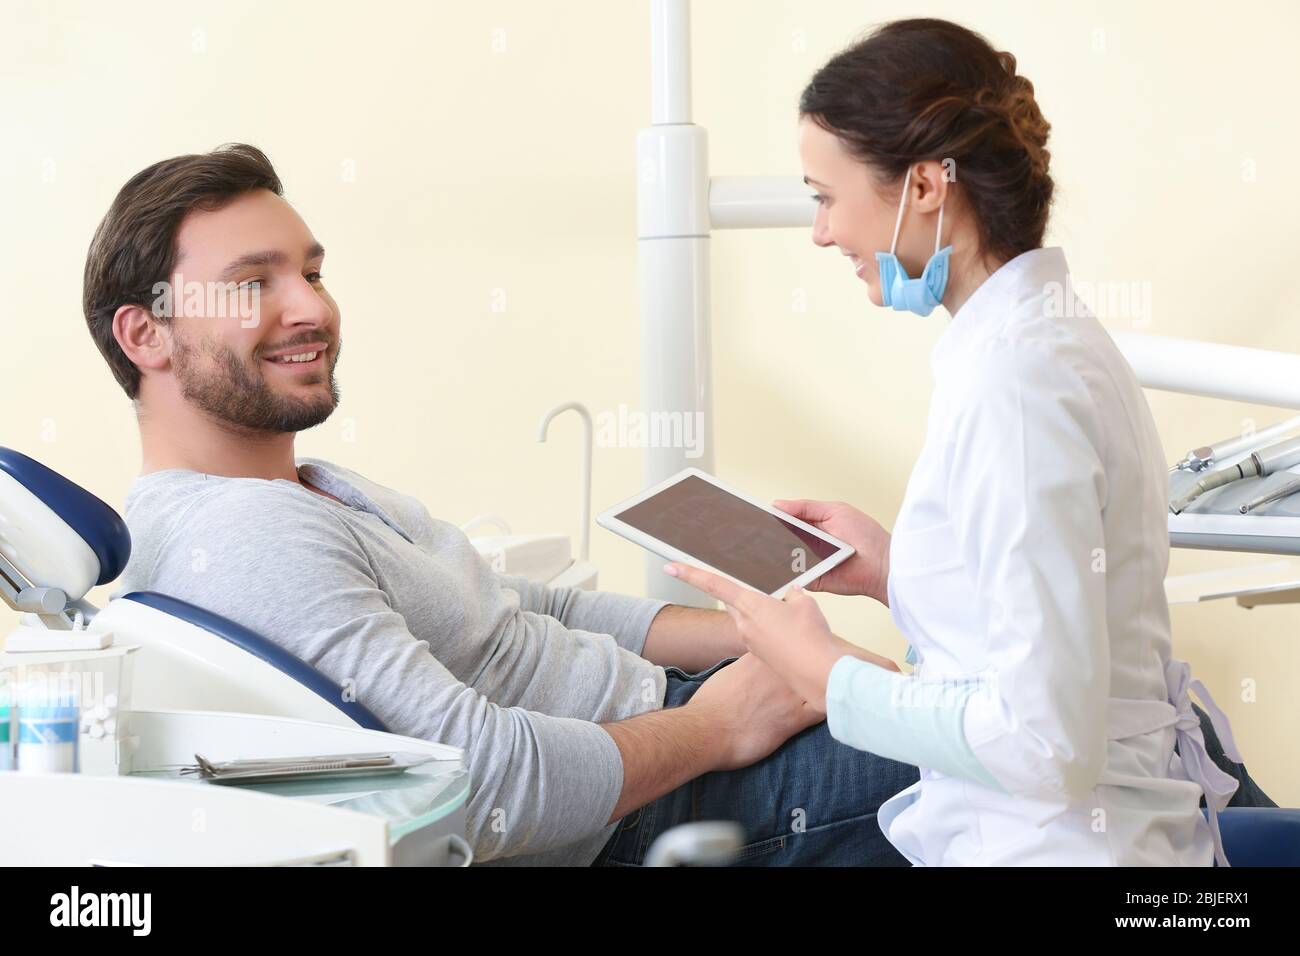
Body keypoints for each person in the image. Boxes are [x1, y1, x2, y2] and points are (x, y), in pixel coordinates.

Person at [668, 17, 1276, 865]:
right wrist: (896, 571)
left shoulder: (1016, 383)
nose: (821, 232)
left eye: (825, 195)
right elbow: (1040, 618)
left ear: (923, 187)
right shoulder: (1041, 343)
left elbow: (1043, 742)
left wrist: (825, 672)